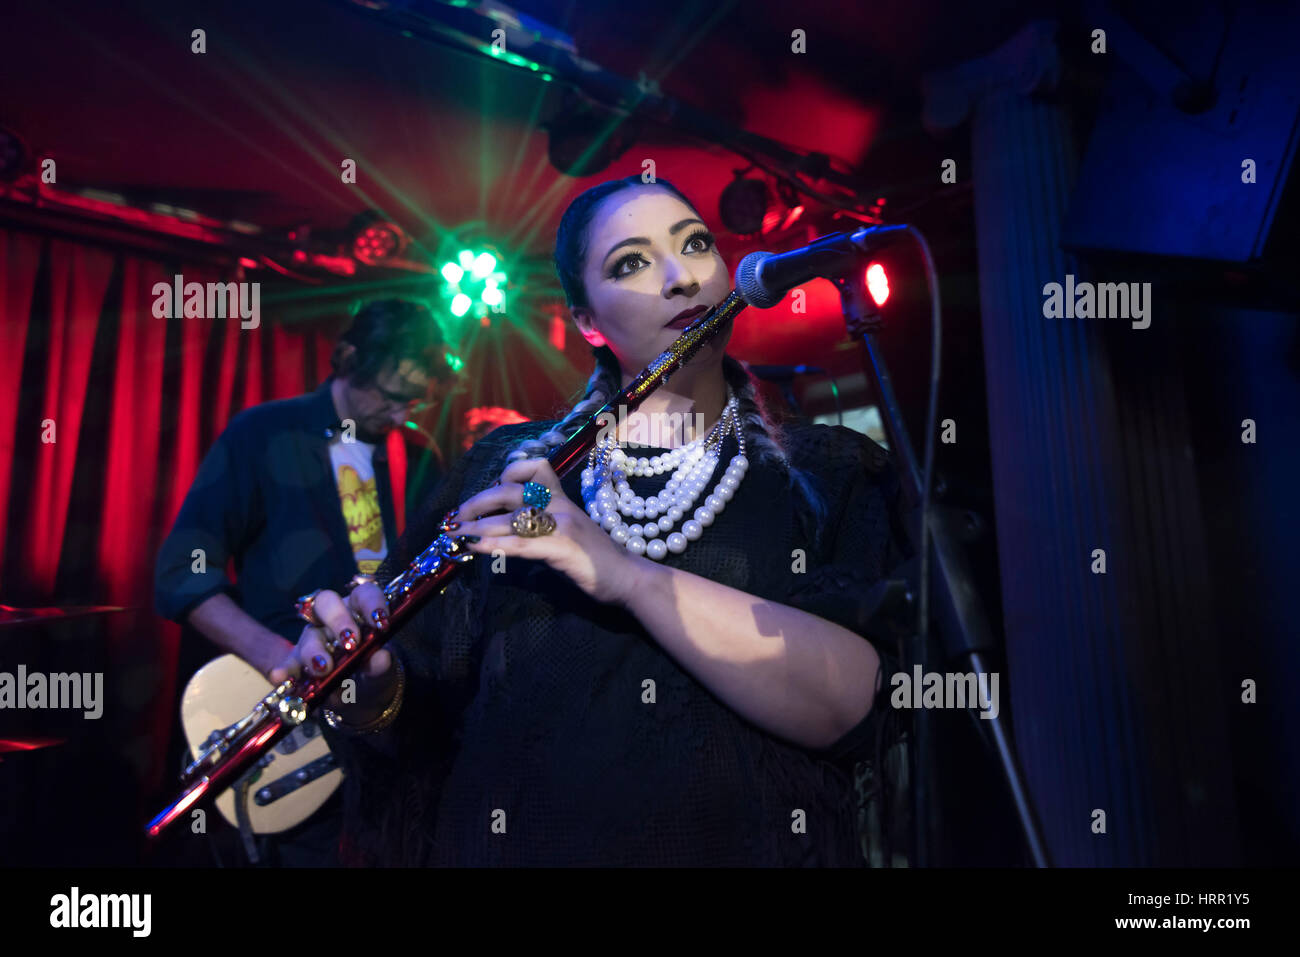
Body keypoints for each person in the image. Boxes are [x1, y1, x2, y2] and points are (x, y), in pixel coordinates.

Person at [286, 177, 910, 866]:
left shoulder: (826, 469)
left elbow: (857, 704)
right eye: (631, 262)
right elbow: (429, 716)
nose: (681, 276)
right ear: (587, 322)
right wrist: (375, 690)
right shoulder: (505, 467)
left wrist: (623, 573)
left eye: (695, 244)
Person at [153, 298, 459, 866]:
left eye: (413, 402)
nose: (400, 415)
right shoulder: (263, 434)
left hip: (382, 725)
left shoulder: (419, 458)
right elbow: (180, 572)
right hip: (292, 717)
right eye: (391, 397)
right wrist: (279, 660)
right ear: (347, 360)